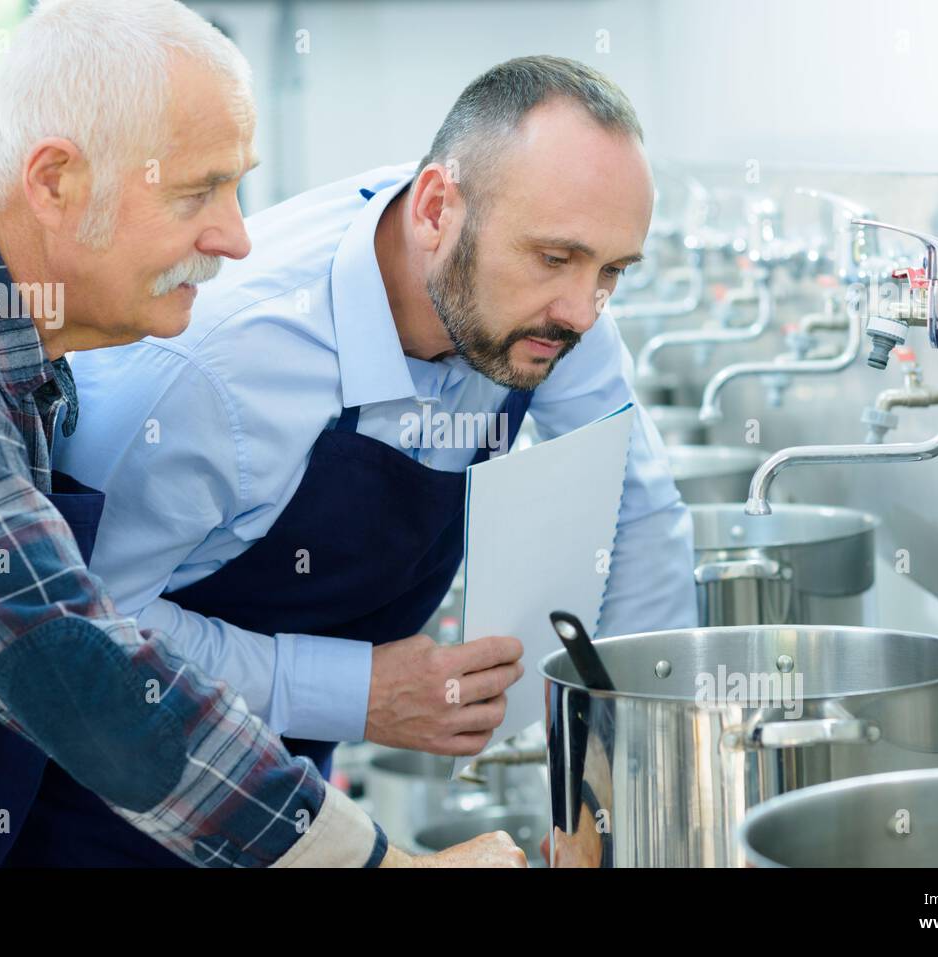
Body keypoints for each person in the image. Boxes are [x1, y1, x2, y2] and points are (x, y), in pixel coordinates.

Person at [0, 0, 523, 868]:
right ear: (55, 182)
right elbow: (81, 680)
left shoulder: (5, 328)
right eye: (196, 193)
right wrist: (382, 866)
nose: (237, 236)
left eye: (236, 184)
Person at [55, 55, 697, 780]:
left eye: (613, 271)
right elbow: (89, 630)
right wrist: (355, 693)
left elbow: (635, 508)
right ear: (433, 210)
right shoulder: (212, 373)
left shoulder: (549, 300)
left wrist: (625, 773)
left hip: (284, 776)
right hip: (112, 778)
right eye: (556, 258)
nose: (585, 310)